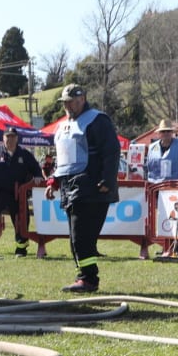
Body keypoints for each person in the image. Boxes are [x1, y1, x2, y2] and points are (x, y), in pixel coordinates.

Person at [45, 84, 121, 293]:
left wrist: (107, 180)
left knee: (82, 237)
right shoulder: (62, 127)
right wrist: (53, 181)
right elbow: (63, 159)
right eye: (66, 102)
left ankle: (88, 278)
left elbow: (112, 151)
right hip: (70, 188)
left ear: (83, 99)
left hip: (92, 187)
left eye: (73, 101)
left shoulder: (98, 120)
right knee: (75, 238)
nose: (69, 106)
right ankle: (84, 277)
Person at [0, 127, 44, 259]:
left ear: (17, 138)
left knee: (21, 220)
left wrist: (38, 176)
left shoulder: (24, 153)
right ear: (3, 138)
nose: (10, 140)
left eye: (12, 137)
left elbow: (36, 168)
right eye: (8, 137)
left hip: (17, 193)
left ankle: (21, 248)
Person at [145, 119, 178, 255]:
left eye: (168, 131)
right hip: (156, 189)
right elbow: (147, 168)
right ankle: (164, 246)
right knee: (161, 219)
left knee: (175, 218)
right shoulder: (152, 148)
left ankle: (176, 246)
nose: (166, 134)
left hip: (175, 189)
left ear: (172, 133)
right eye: (163, 132)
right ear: (159, 134)